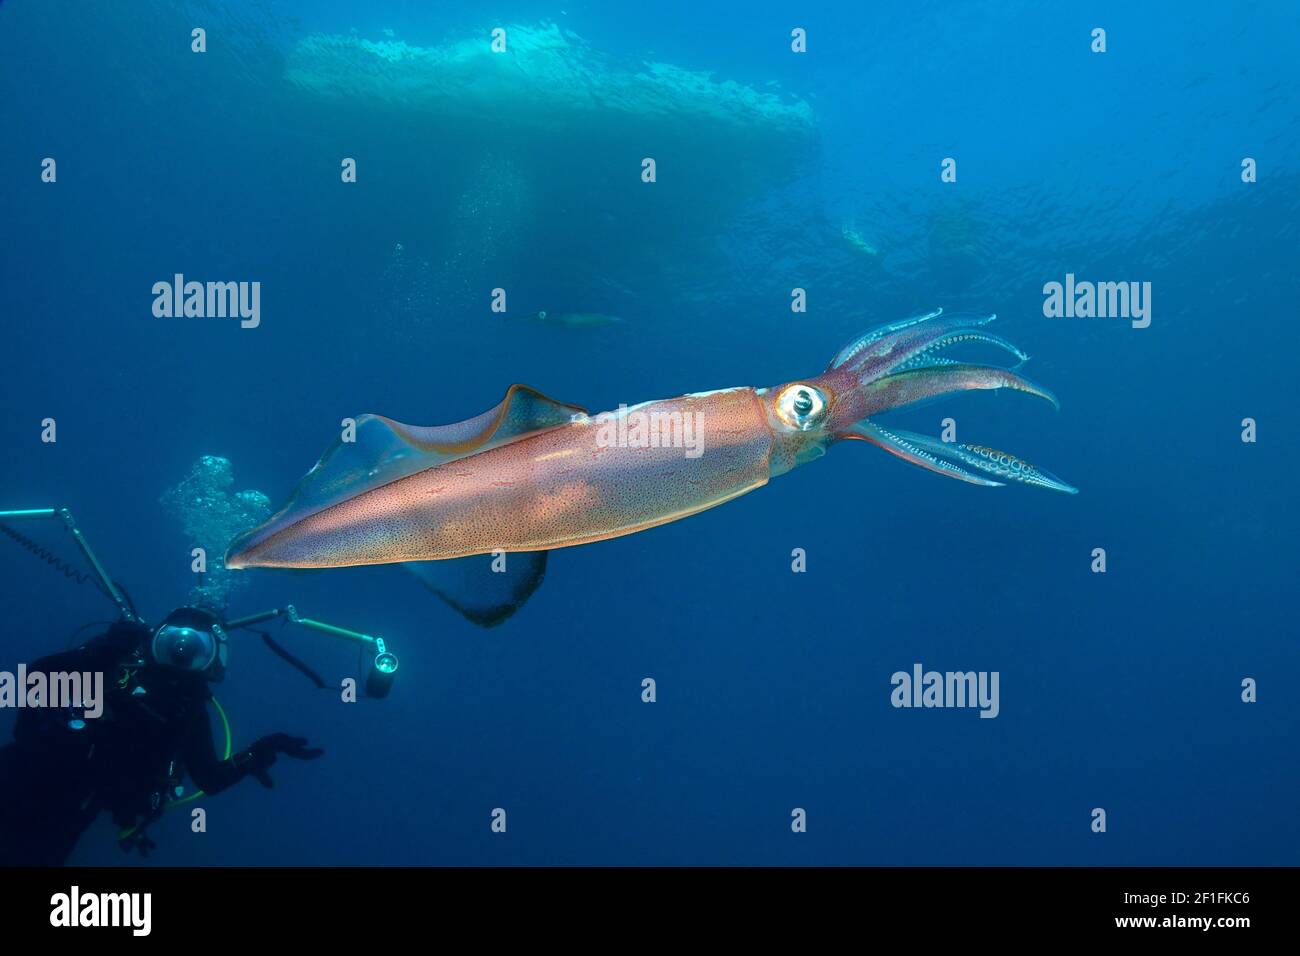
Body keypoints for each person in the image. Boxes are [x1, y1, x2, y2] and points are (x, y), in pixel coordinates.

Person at [0, 607, 322, 865]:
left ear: (213, 656)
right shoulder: (117, 665)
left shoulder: (189, 712)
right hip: (24, 770)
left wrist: (259, 751)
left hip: (74, 810)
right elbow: (28, 686)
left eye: (196, 646)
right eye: (175, 640)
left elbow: (209, 778)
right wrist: (96, 655)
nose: (182, 649)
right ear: (157, 638)